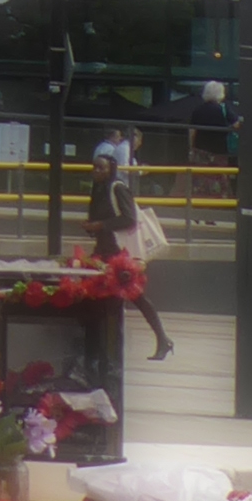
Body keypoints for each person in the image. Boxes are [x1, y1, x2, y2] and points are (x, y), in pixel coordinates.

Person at [89, 119, 173, 361]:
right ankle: (108, 347)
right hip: (105, 250)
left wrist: (100, 225)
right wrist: (94, 227)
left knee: (134, 297)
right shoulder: (100, 191)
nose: (96, 172)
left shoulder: (117, 188)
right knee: (108, 298)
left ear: (111, 169)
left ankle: (156, 340)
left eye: (100, 168)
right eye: (94, 168)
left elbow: (128, 218)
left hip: (121, 254)